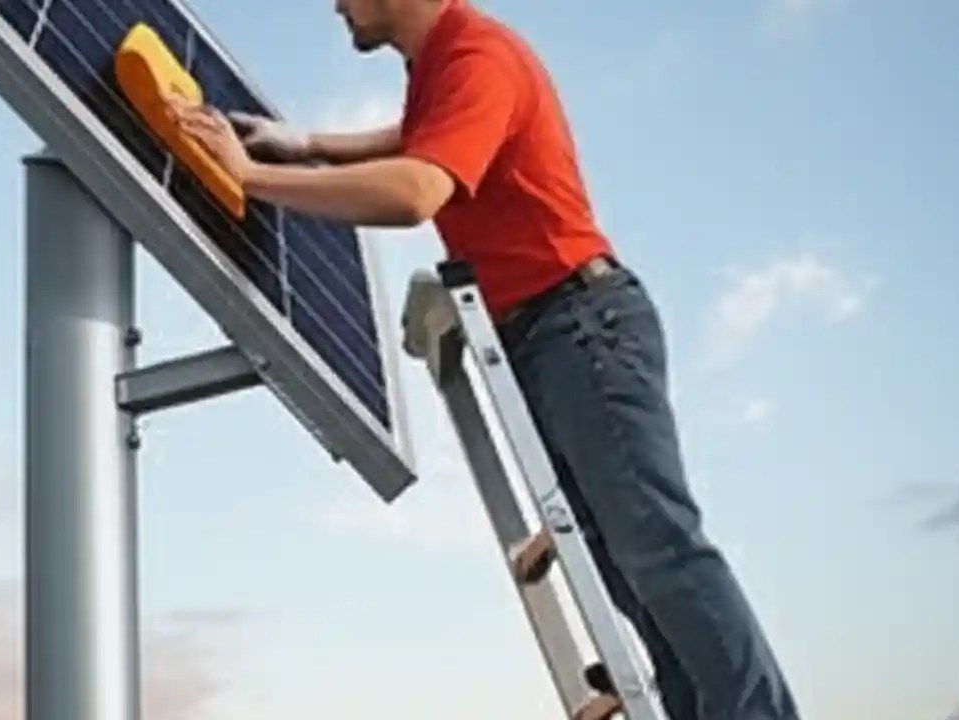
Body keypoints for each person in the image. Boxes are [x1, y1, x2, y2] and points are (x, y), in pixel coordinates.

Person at [166, 1, 800, 718]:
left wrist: (251, 175)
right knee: (626, 571)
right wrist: (306, 141)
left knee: (659, 554)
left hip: (581, 327)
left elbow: (415, 190)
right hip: (550, 337)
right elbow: (416, 138)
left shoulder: (478, 57)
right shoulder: (440, 66)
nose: (335, 4)